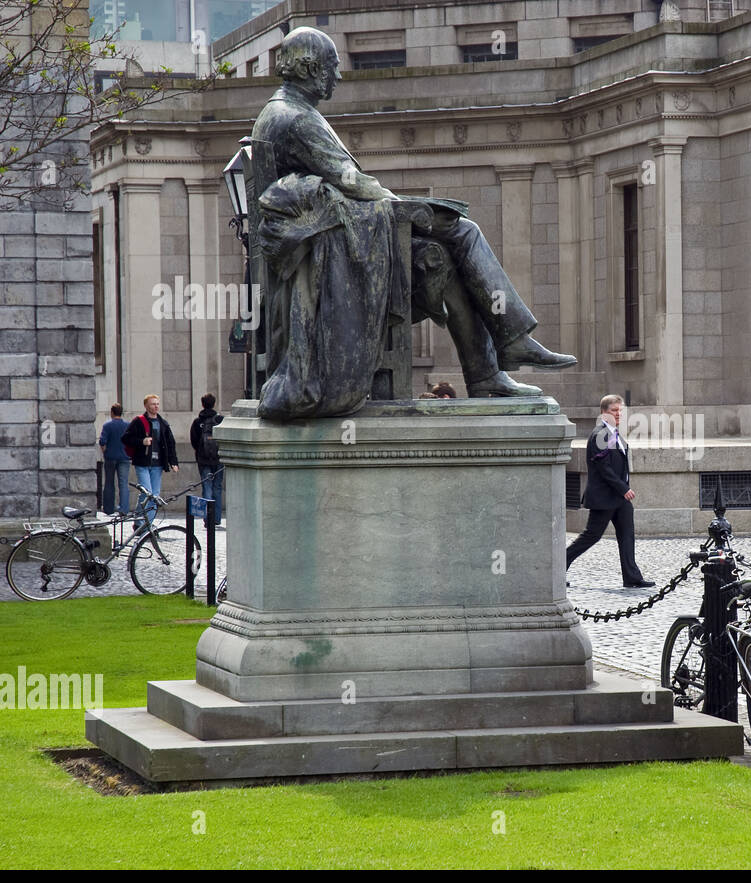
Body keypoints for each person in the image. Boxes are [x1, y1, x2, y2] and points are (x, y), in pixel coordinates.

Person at [251, 26, 574, 418]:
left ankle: (492, 367)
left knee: (440, 255)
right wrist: (402, 207)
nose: (338, 76)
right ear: (308, 68)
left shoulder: (281, 112)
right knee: (462, 230)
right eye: (332, 66)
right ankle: (507, 346)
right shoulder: (297, 119)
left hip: (334, 250)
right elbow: (351, 182)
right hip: (334, 262)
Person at [565, 395, 655, 589]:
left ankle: (632, 577)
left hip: (619, 499)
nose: (618, 414)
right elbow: (604, 468)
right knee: (591, 535)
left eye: (620, 410)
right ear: (604, 413)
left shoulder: (613, 434)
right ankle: (557, 568)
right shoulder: (600, 435)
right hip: (604, 497)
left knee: (627, 535)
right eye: (614, 411)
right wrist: (624, 488)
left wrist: (623, 490)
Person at [121, 394, 180, 526]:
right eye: (153, 404)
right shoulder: (138, 421)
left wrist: (173, 462)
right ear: (146, 406)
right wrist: (142, 441)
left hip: (158, 464)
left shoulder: (163, 423)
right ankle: (140, 521)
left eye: (157, 404)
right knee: (147, 492)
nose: (156, 406)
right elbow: (125, 438)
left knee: (155, 495)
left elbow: (170, 444)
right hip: (142, 463)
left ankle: (147, 524)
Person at [190, 393, 224, 527]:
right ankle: (216, 518)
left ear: (202, 404)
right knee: (217, 487)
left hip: (203, 460)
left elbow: (194, 441)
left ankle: (207, 519)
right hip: (219, 458)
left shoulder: (197, 422)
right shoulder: (220, 420)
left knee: (207, 487)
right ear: (214, 403)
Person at [98, 403, 131, 516]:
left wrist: (105, 451)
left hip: (110, 457)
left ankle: (108, 508)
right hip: (124, 457)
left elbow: (102, 441)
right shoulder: (128, 425)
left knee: (109, 483)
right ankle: (124, 509)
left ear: (112, 412)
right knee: (123, 483)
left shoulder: (107, 425)